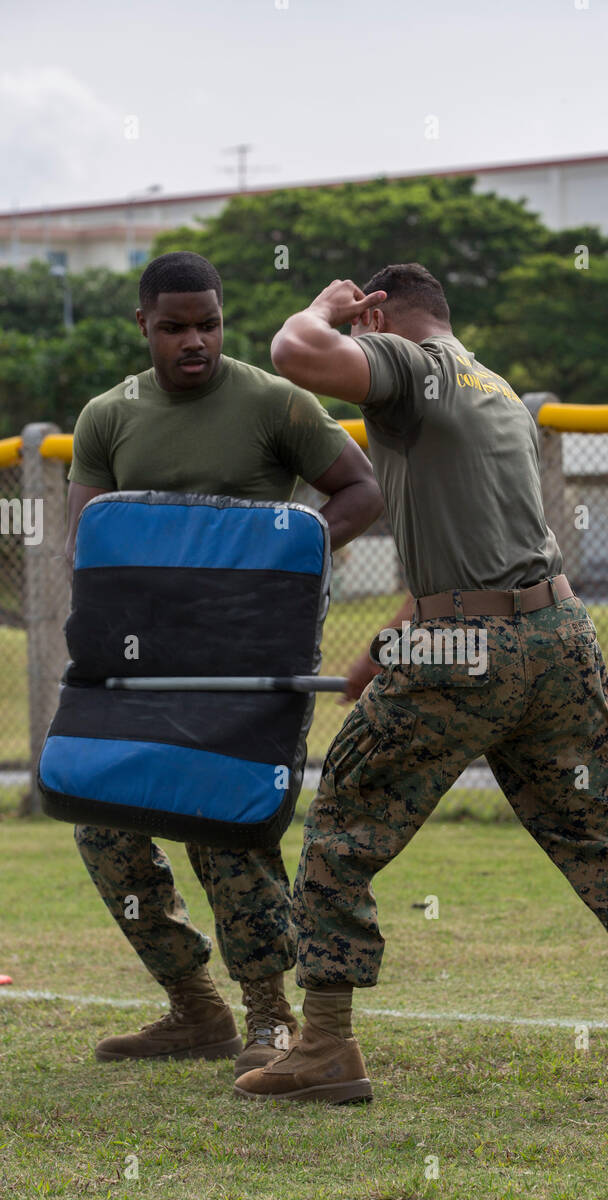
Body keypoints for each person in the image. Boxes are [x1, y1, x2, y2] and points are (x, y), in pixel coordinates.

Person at [235, 262, 608, 1109]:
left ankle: (326, 1045)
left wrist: (327, 308)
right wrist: (397, 631)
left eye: (364, 328)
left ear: (381, 320)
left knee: (342, 828)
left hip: (464, 650)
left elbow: (296, 351)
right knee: (605, 847)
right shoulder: (496, 390)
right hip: (557, 640)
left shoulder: (414, 367)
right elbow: (483, 541)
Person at [65, 251, 382, 1077]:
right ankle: (194, 1008)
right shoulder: (106, 418)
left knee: (229, 831)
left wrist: (281, 556)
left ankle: (270, 1017)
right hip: (143, 662)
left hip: (245, 657)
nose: (194, 341)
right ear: (144, 327)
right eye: (175, 328)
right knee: (103, 825)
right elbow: (86, 542)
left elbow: (359, 490)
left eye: (207, 324)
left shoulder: (275, 401)